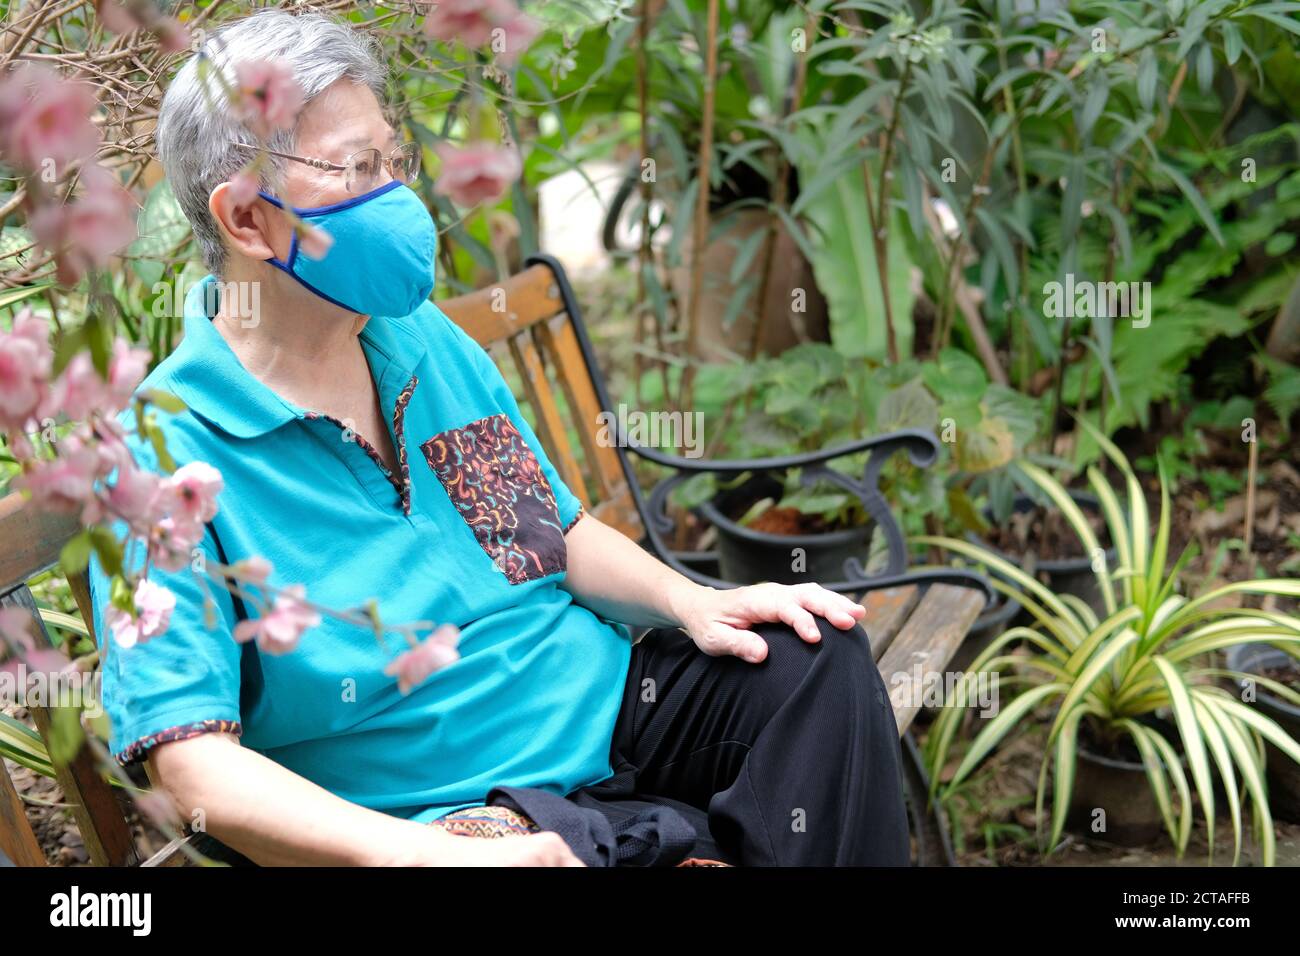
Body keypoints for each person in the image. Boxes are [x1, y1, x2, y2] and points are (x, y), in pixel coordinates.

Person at [90, 9, 908, 866]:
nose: (401, 197)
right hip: (452, 816)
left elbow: (547, 538)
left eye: (394, 160)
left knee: (817, 657)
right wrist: (419, 854)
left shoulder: (415, 339)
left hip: (615, 715)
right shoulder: (158, 459)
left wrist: (692, 602)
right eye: (357, 169)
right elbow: (193, 769)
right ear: (249, 222)